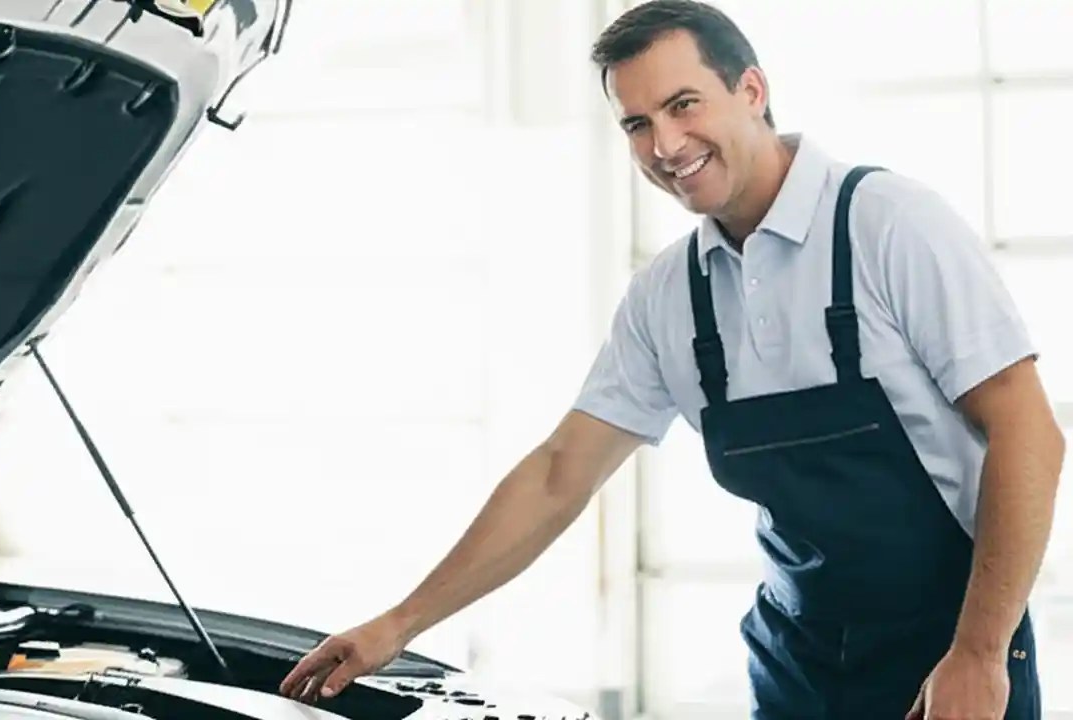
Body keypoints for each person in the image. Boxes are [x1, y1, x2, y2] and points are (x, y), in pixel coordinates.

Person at [278, 2, 1066, 718]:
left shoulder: (889, 224)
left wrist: (980, 652)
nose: (664, 145)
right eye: (635, 124)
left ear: (751, 90)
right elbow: (560, 474)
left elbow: (1028, 432)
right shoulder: (667, 297)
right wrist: (398, 623)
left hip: (953, 652)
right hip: (798, 667)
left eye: (683, 105)